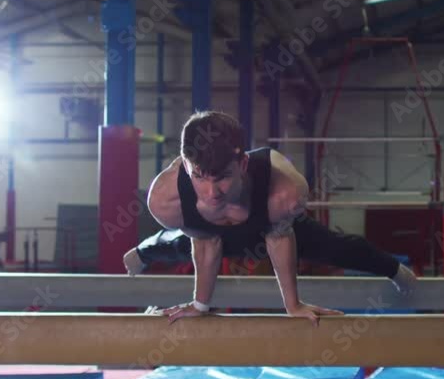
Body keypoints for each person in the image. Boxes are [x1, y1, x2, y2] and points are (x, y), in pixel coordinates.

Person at [125, 110, 418, 325]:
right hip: (209, 229)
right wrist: (201, 305)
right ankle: (139, 254)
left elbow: (279, 239)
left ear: (242, 163)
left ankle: (396, 270)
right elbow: (206, 244)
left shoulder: (285, 192)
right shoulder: (166, 199)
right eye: (200, 177)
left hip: (270, 224)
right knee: (177, 243)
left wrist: (293, 305)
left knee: (336, 247)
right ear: (186, 166)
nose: (212, 192)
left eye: (224, 178)